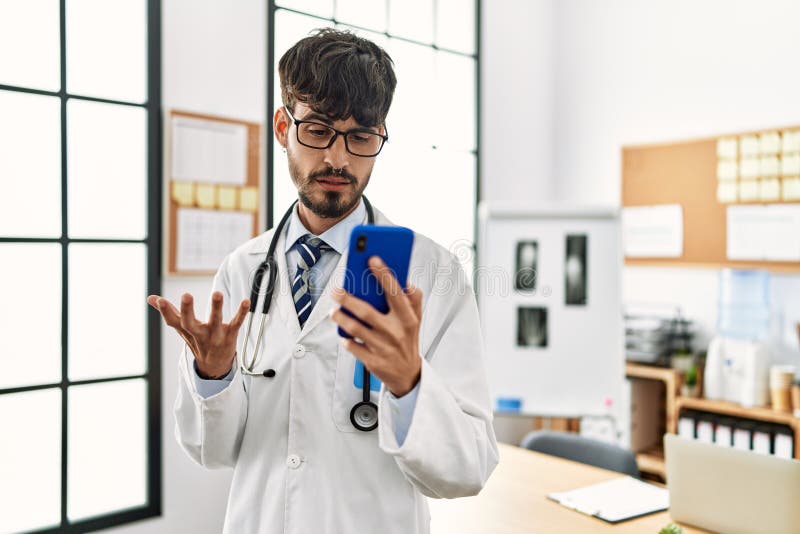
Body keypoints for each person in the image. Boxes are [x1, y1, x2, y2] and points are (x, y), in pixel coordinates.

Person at [148, 28, 498, 534]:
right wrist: (213, 376)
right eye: (317, 130)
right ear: (282, 126)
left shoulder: (433, 274)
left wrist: (409, 383)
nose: (338, 159)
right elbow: (212, 452)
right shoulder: (244, 268)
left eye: (361, 137)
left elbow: (468, 470)